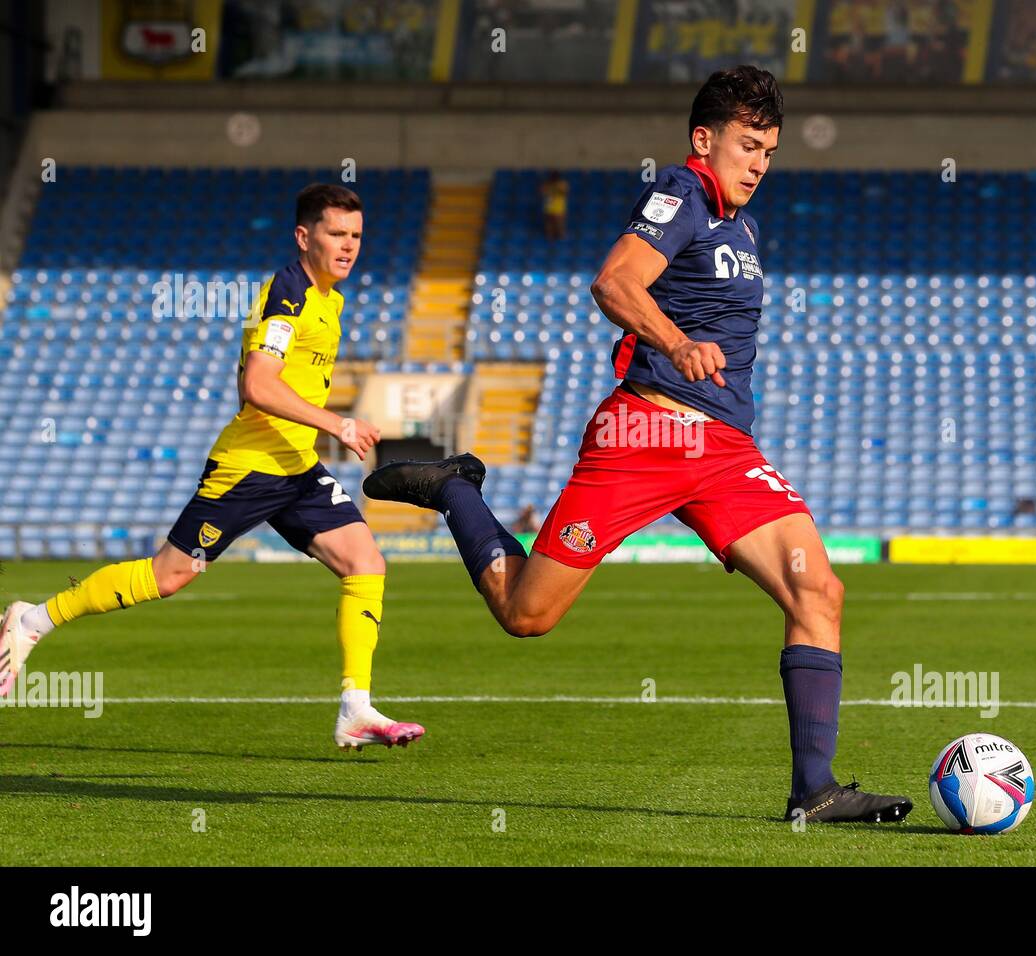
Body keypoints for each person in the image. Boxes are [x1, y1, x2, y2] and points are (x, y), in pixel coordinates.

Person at [365, 65, 912, 823]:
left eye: (770, 151)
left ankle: (813, 792)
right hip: (643, 436)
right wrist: (677, 341)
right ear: (703, 139)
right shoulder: (679, 196)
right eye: (748, 145)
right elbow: (615, 283)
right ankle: (456, 489)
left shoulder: (744, 225)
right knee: (527, 615)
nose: (759, 163)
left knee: (818, 591)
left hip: (723, 451)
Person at [0, 184, 423, 752]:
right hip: (249, 470)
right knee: (168, 576)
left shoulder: (330, 297)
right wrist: (337, 424)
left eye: (356, 236)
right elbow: (257, 384)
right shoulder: (289, 295)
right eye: (336, 234)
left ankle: (355, 707)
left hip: (295, 469)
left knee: (365, 562)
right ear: (304, 236)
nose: (348, 247)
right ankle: (33, 621)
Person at [540, 170, 568, 241]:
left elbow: (564, 192)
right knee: (549, 225)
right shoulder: (546, 184)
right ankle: (549, 240)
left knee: (559, 225)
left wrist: (555, 188)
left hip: (559, 208)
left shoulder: (562, 184)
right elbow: (541, 192)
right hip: (549, 207)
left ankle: (561, 241)